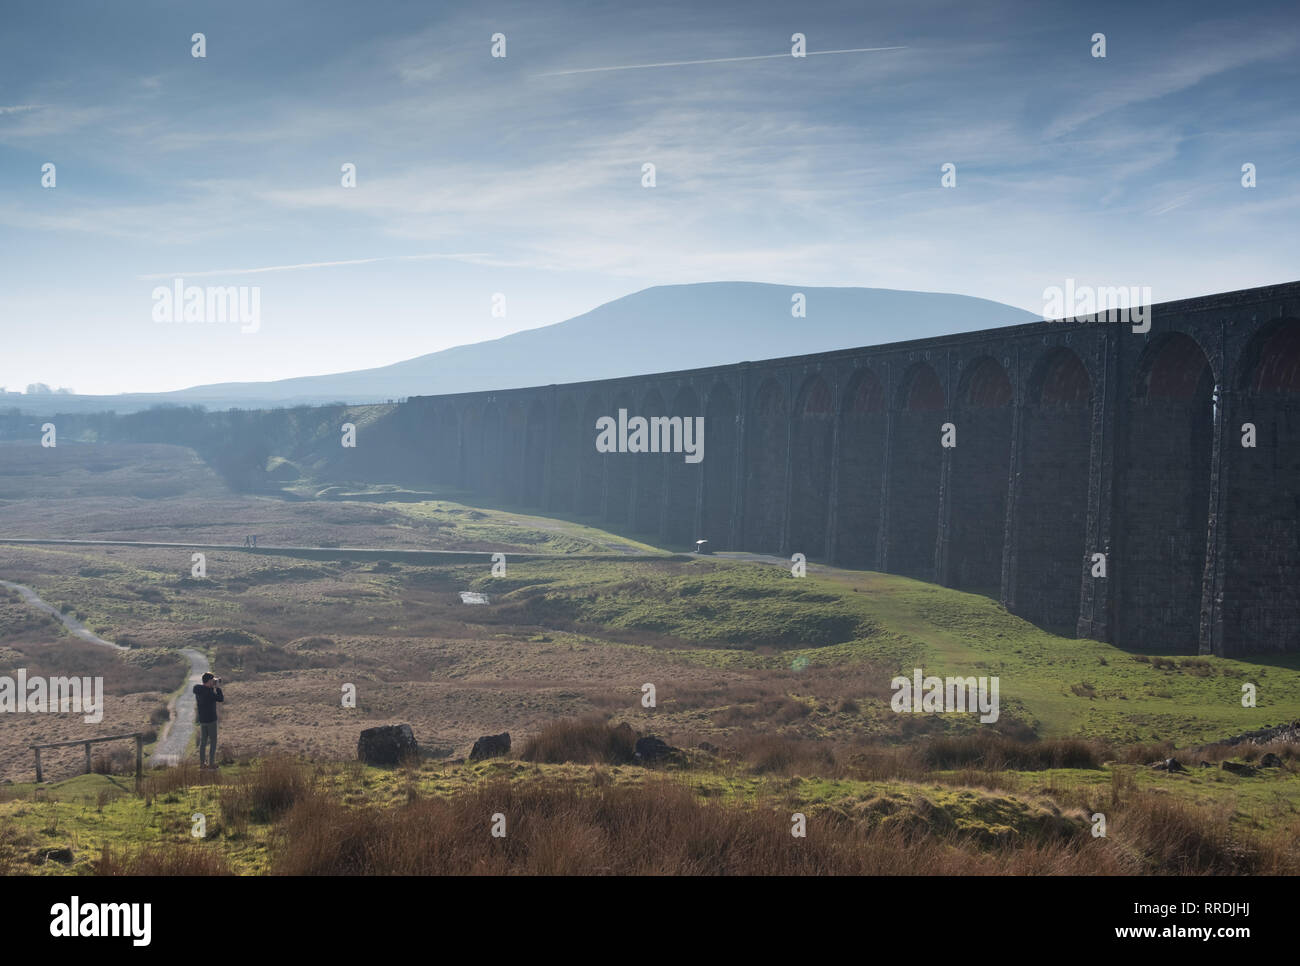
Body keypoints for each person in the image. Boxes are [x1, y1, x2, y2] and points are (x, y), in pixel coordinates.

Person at [193, 672, 224, 768]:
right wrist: (217, 687)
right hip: (211, 720)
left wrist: (212, 687)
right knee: (213, 741)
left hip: (202, 720)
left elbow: (207, 693)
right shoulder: (209, 692)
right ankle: (211, 763)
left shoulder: (199, 690)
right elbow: (220, 699)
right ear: (209, 681)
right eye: (212, 680)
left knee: (203, 742)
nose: (213, 682)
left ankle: (202, 764)